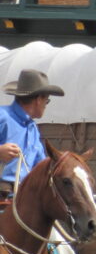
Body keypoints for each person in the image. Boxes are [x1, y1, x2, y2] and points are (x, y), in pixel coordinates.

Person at [0, 69, 64, 197]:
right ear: (39, 99)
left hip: (21, 198)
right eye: (47, 101)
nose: (45, 105)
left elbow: (41, 165)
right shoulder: (2, 116)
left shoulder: (33, 129)